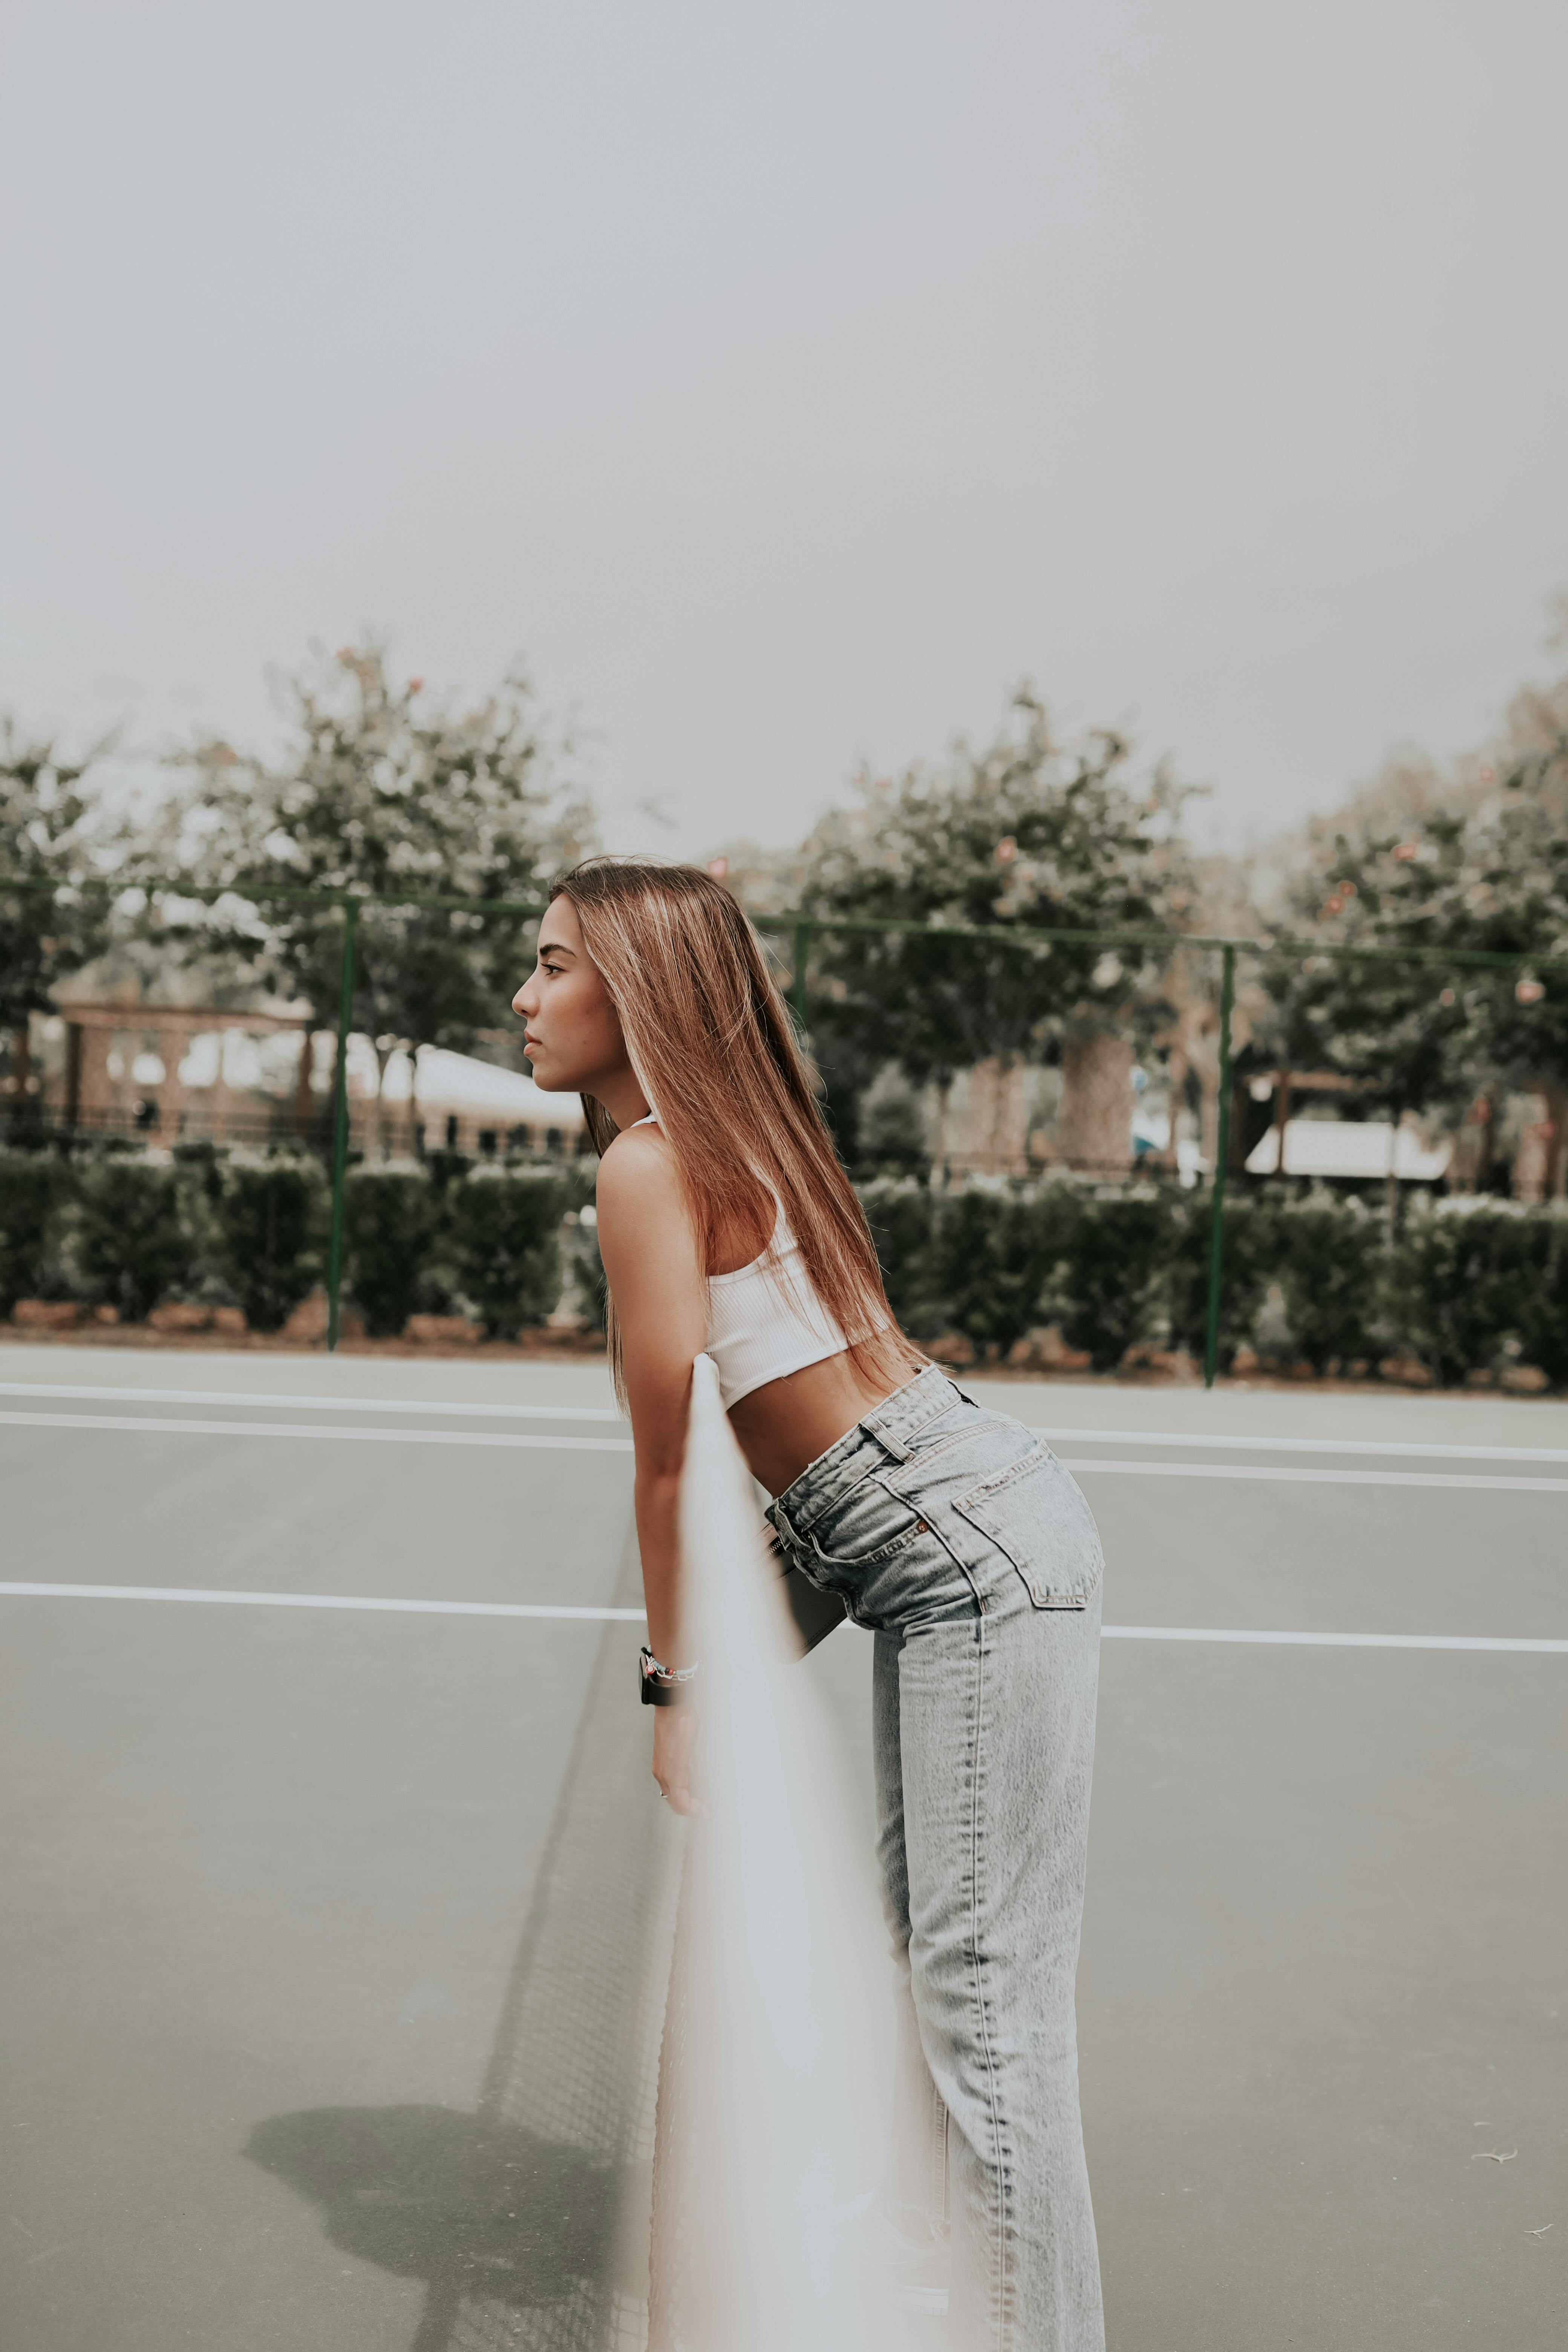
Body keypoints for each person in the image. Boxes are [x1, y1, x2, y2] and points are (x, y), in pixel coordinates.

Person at [513, 858, 1106, 2352]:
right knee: (948, 1989)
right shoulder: (732, 1128)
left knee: (991, 2017)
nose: (524, 999)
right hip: (914, 1514)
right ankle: (943, 2293)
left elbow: (667, 1460)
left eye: (552, 968)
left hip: (952, 1541)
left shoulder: (648, 1164)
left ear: (634, 991)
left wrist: (672, 1688)